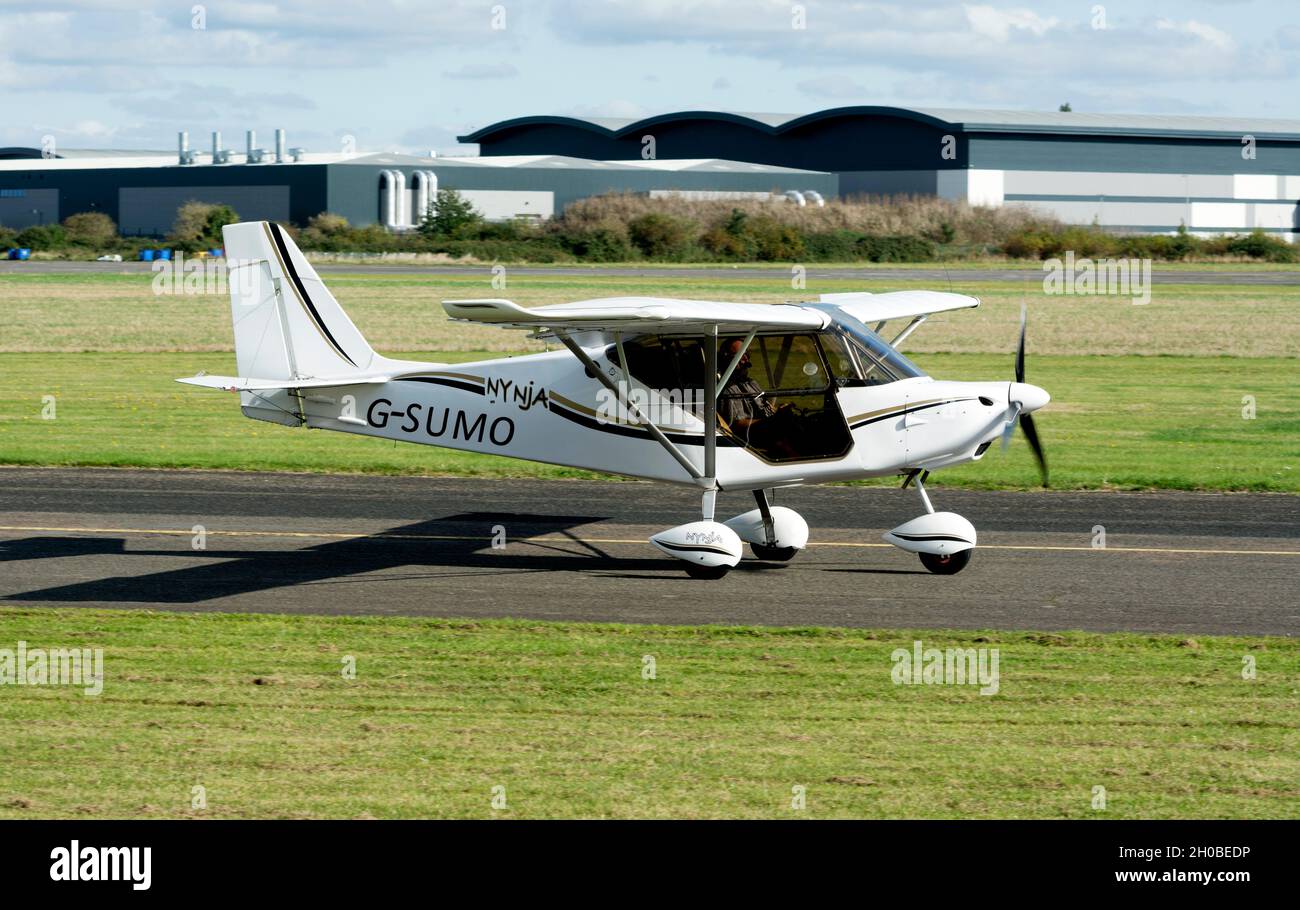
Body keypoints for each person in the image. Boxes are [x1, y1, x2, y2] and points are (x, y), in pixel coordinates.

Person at [717, 338, 799, 457]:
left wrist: (780, 411)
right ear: (727, 359)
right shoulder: (728, 389)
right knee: (784, 443)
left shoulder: (751, 383)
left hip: (769, 427)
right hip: (753, 436)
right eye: (740, 355)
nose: (745, 358)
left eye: (746, 354)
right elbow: (737, 425)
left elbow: (766, 406)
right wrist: (771, 421)